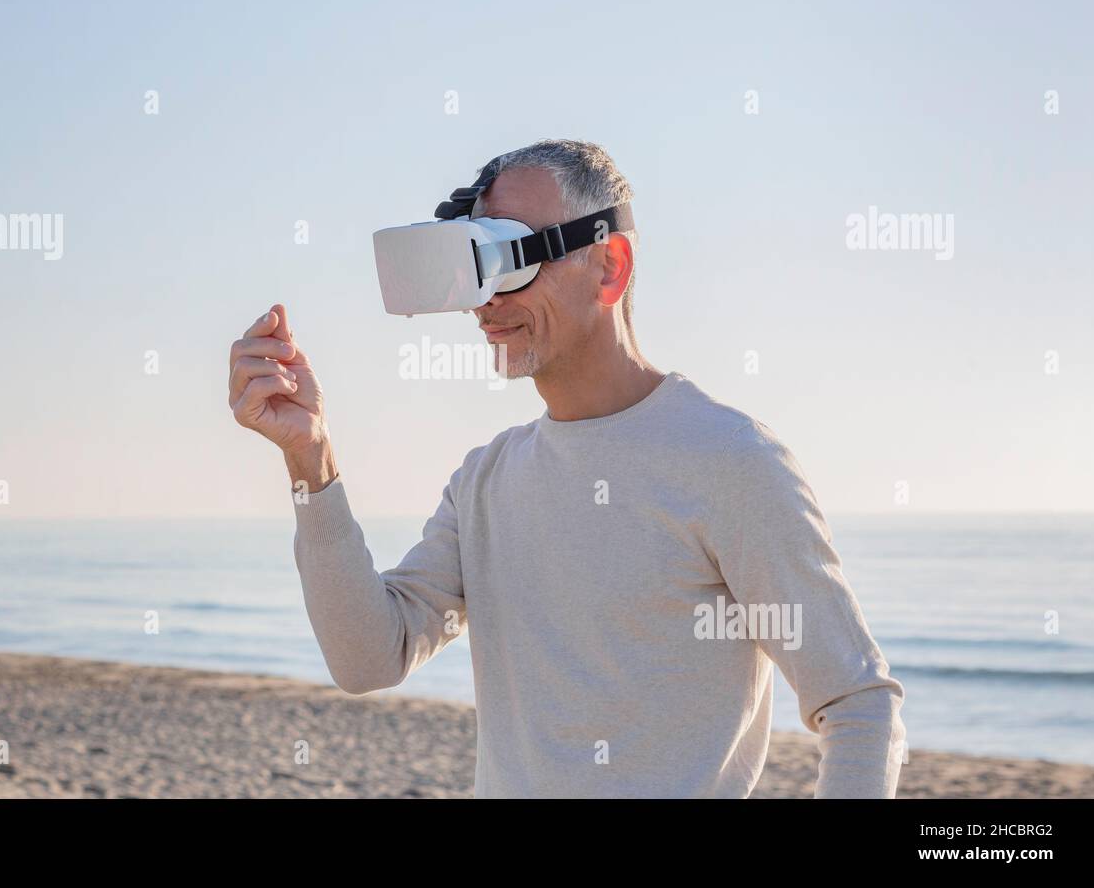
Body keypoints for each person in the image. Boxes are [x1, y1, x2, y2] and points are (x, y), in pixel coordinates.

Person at [228, 139, 906, 798]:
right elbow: (368, 658)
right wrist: (309, 460)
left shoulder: (730, 462)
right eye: (474, 265)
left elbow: (857, 704)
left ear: (609, 266)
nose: (486, 302)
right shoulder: (486, 480)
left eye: (509, 258)